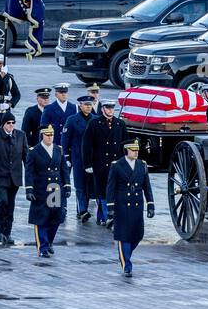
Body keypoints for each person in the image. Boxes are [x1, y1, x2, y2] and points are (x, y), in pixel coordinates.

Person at [106, 139, 154, 277]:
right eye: (133, 150)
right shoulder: (117, 166)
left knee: (138, 235)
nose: (136, 152)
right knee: (123, 236)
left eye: (137, 149)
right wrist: (110, 206)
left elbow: (147, 186)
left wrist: (150, 204)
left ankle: (126, 254)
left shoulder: (142, 165)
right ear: (126, 151)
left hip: (137, 204)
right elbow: (110, 187)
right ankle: (126, 264)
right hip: (122, 205)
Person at [0, 113, 28, 246]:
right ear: (3, 124)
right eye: (8, 123)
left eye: (13, 123)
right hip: (0, 177)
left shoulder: (20, 136)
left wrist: (32, 177)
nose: (11, 125)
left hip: (14, 178)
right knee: (2, 201)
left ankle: (7, 233)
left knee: (10, 205)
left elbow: (26, 158)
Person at [27, 125, 70, 258]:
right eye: (47, 135)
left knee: (56, 217)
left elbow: (64, 169)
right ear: (42, 135)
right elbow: (29, 171)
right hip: (41, 188)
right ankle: (43, 247)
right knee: (41, 218)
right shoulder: (34, 151)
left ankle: (49, 241)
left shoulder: (58, 150)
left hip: (56, 188)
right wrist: (29, 188)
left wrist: (67, 185)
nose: (50, 137)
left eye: (52, 135)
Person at [86, 98, 127, 226]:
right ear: (103, 109)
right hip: (100, 163)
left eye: (112, 108)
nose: (110, 110)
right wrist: (88, 164)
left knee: (113, 190)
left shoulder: (120, 124)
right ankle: (108, 216)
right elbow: (87, 145)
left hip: (115, 163)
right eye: (108, 108)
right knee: (102, 191)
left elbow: (125, 144)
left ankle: (103, 216)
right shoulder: (94, 123)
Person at [63, 94, 96, 222]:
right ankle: (82, 210)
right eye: (86, 105)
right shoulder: (72, 120)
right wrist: (66, 157)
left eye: (90, 105)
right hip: (78, 158)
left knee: (90, 186)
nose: (88, 107)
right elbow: (65, 140)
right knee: (80, 185)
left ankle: (84, 209)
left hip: (92, 159)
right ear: (80, 105)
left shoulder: (96, 119)